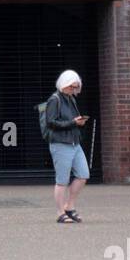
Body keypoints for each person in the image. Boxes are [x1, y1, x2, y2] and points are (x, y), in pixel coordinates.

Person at [45, 69, 91, 222]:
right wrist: (73, 123)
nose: (74, 90)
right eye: (72, 86)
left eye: (76, 87)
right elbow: (50, 122)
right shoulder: (55, 99)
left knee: (83, 174)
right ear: (63, 84)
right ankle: (60, 213)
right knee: (62, 180)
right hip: (60, 143)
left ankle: (69, 206)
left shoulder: (71, 99)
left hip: (74, 142)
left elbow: (70, 120)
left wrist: (78, 122)